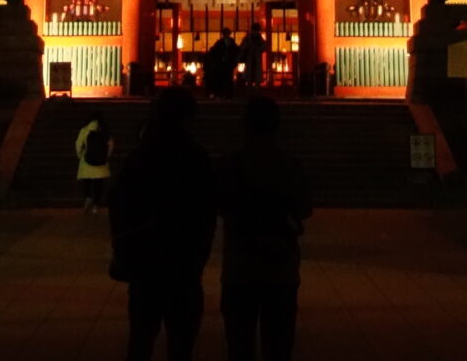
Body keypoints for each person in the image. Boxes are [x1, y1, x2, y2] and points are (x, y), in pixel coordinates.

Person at [108, 87, 217, 361]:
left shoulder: (140, 158)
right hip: (184, 268)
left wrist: (124, 252)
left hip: (145, 268)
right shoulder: (196, 158)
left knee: (141, 342)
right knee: (181, 347)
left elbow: (119, 206)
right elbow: (208, 213)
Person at [216, 96, 311, 361]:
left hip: (240, 265)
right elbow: (304, 208)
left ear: (244, 125)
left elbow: (219, 205)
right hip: (280, 265)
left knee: (239, 344)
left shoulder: (229, 166)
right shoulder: (290, 167)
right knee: (278, 345)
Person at [75, 109, 113, 213]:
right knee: (98, 183)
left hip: (87, 160)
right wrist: (106, 157)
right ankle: (96, 205)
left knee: (87, 181)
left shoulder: (85, 130)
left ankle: (88, 197)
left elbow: (78, 145)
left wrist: (80, 155)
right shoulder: (105, 130)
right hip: (101, 162)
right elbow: (110, 145)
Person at [202, 31, 240, 98]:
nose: (226, 35)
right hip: (222, 64)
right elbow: (215, 51)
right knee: (223, 79)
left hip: (228, 63)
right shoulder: (220, 43)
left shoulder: (231, 43)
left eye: (227, 34)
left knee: (228, 79)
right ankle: (224, 94)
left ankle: (228, 94)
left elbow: (235, 51)